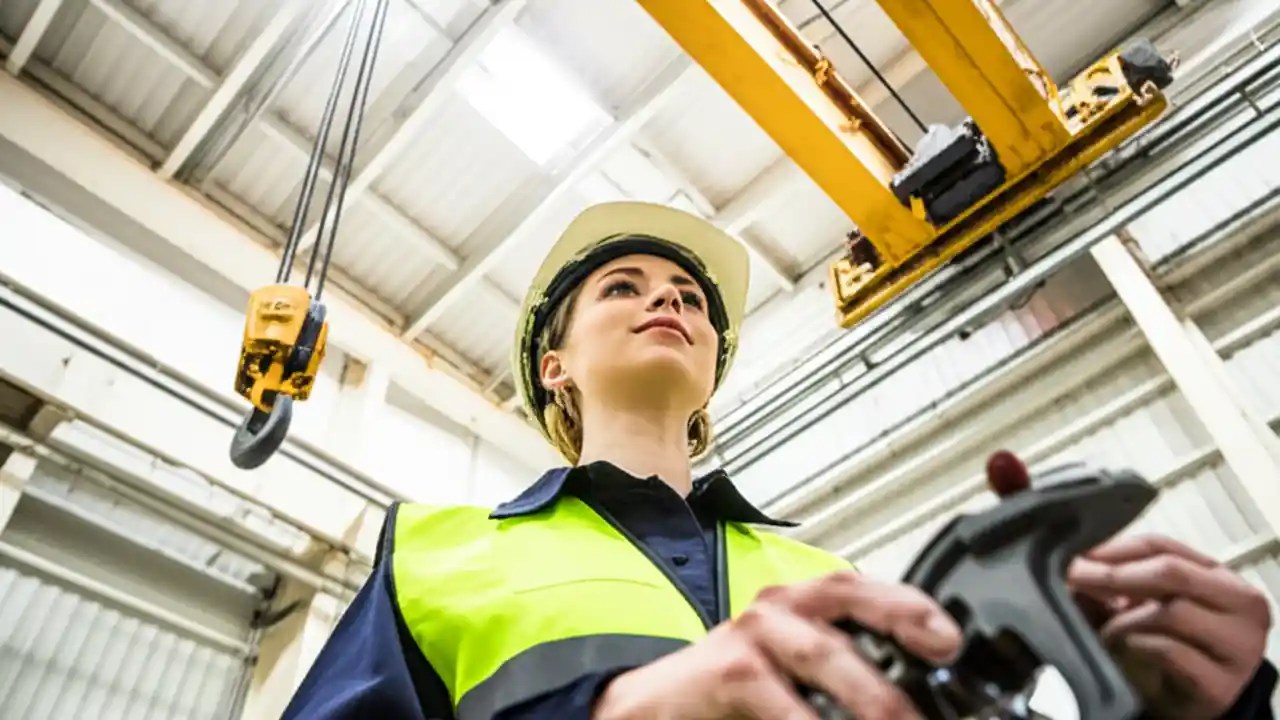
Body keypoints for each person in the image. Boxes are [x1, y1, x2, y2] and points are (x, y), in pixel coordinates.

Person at [282, 201, 1276, 719]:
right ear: (556, 366)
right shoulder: (432, 556)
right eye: (622, 288)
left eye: (690, 299)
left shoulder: (827, 580)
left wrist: (1193, 715)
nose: (668, 300)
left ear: (710, 364)